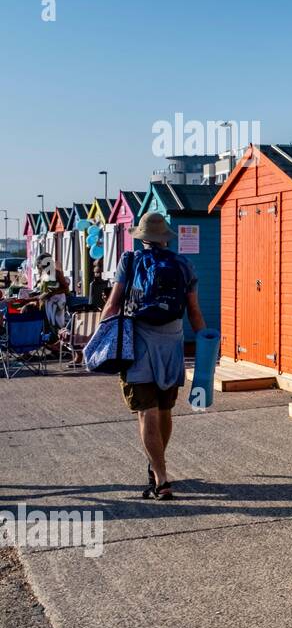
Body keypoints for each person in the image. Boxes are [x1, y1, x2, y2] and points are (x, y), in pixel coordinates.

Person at [100, 212, 205, 500]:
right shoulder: (184, 265)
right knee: (164, 410)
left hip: (139, 346)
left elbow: (112, 305)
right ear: (166, 237)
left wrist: (99, 339)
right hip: (172, 346)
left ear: (142, 237)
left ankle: (160, 478)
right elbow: (194, 312)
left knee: (145, 413)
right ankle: (157, 468)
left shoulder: (130, 260)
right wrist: (206, 344)